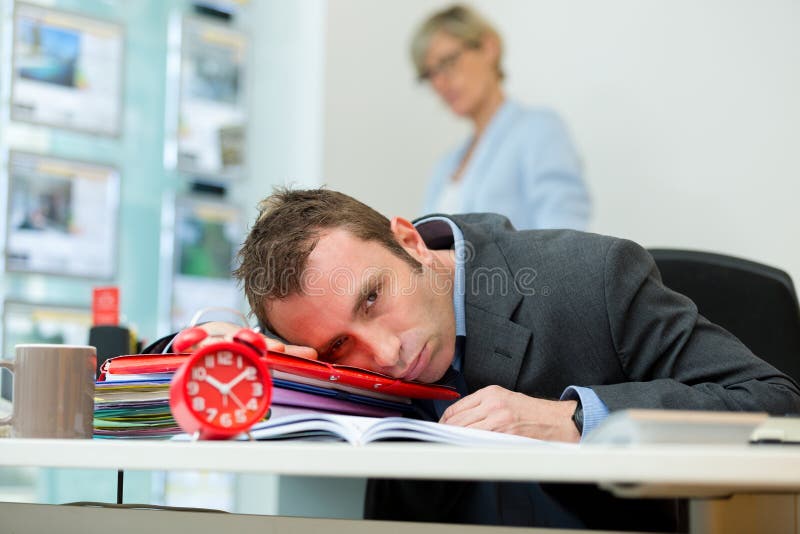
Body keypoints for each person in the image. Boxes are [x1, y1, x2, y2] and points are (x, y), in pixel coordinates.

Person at [213, 187, 799, 532]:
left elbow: (776, 405)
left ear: (409, 240)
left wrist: (576, 421)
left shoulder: (593, 277)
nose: (386, 353)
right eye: (340, 346)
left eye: (373, 297)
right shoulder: (325, 359)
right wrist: (218, 354)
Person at [411, 5, 591, 230]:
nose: (439, 83)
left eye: (448, 62)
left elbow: (565, 234)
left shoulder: (538, 130)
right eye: (430, 74)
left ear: (488, 47)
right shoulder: (446, 166)